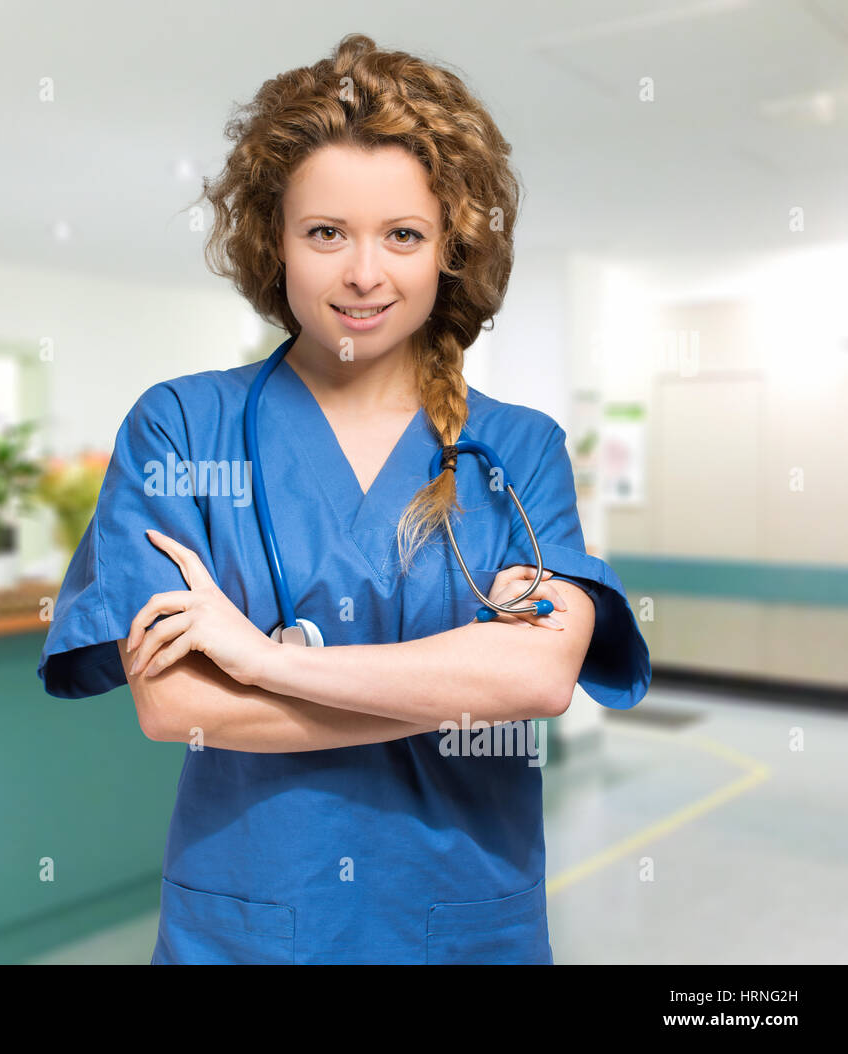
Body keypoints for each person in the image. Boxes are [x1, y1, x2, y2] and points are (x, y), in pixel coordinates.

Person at [37, 32, 651, 965]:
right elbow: (175, 706)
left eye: (402, 234)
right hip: (249, 926)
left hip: (459, 924)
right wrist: (453, 683)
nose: (364, 273)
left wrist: (259, 663)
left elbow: (536, 679)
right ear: (272, 242)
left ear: (450, 248)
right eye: (326, 233)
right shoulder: (181, 430)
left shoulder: (515, 449)